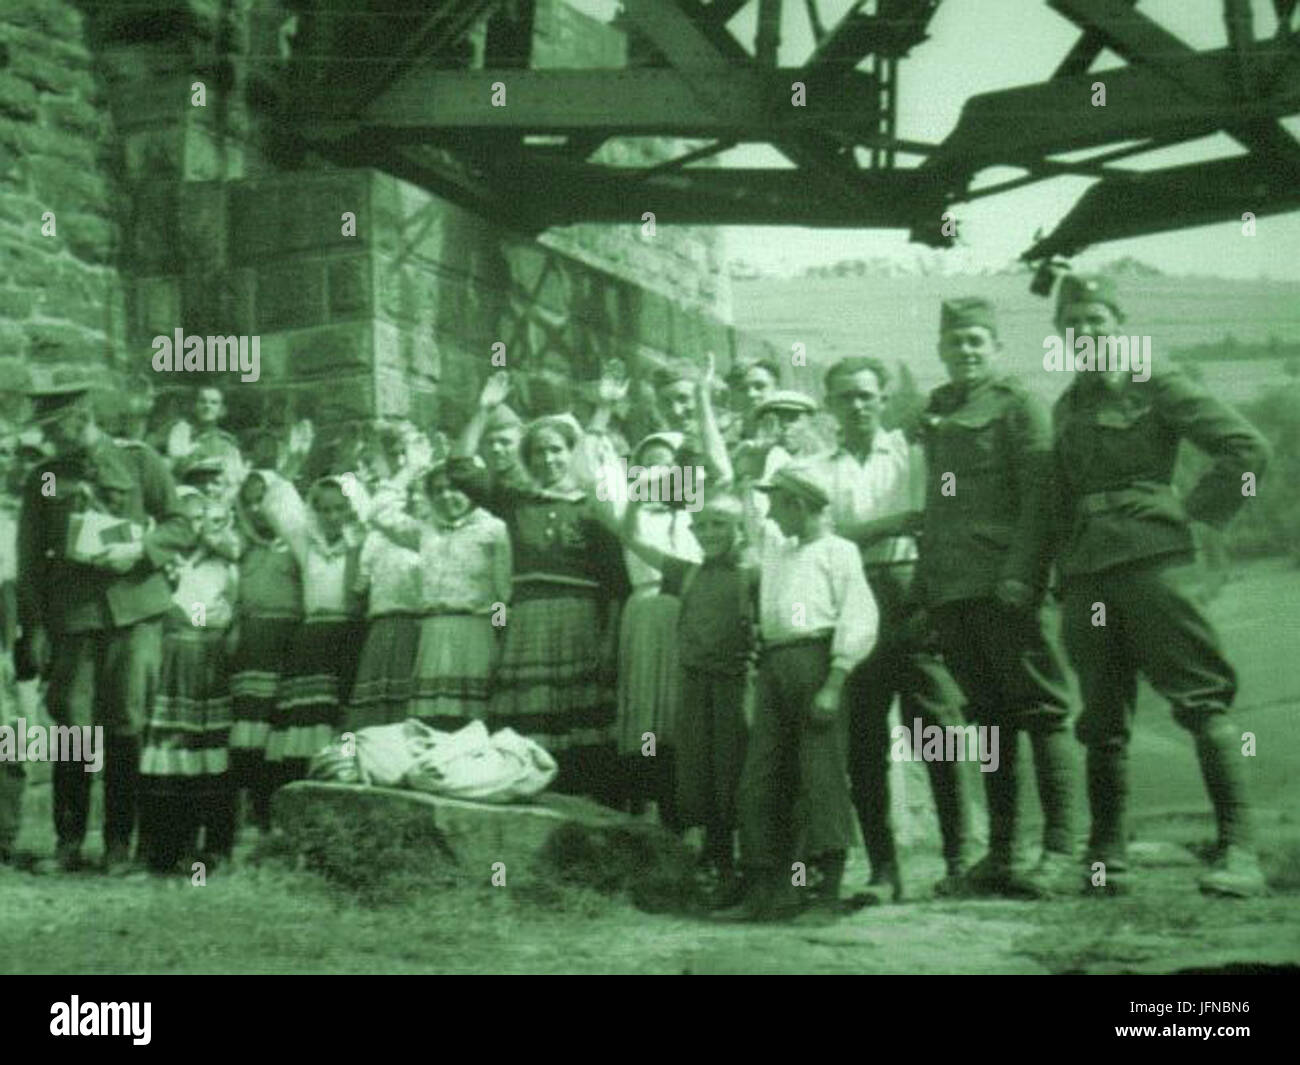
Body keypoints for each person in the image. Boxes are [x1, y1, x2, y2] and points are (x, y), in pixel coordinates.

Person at [1050, 274, 1270, 898]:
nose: (1086, 333)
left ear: (1118, 324)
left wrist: (1196, 517)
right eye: (1073, 324)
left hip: (1155, 566)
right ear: (1061, 335)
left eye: (1097, 319)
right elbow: (1059, 498)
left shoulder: (1156, 381)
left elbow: (1246, 449)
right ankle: (1106, 857)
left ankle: (1239, 852)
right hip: (1088, 576)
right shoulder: (1066, 406)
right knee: (1100, 714)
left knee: (1200, 698)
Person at [915, 297, 1077, 898]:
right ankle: (1001, 857)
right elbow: (939, 503)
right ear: (941, 349)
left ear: (997, 346)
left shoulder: (1019, 408)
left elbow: (1041, 499)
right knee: (987, 718)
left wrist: (1024, 574)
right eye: (956, 342)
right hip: (952, 588)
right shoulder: (939, 412)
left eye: (977, 341)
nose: (966, 351)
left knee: (1041, 710)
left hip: (1005, 584)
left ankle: (1061, 851)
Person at [15, 381, 194, 874]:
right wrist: (35, 627)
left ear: (82, 417)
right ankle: (68, 843)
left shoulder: (139, 462)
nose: (50, 441)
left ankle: (119, 844)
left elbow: (180, 523)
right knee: (72, 729)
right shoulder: (47, 478)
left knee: (126, 726)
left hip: (135, 613)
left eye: (57, 429)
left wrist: (139, 551)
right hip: (73, 619)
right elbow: (30, 560)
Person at [815, 356, 970, 901]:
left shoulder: (916, 456)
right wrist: (893, 523)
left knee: (937, 731)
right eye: (844, 397)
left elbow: (940, 519)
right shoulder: (818, 468)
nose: (856, 406)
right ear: (828, 404)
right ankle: (884, 872)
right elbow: (822, 538)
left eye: (865, 395)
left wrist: (885, 532)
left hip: (913, 594)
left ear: (883, 398)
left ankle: (957, 861)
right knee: (863, 741)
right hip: (852, 601)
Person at [449, 373, 630, 800]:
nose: (548, 459)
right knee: (530, 719)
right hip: (529, 619)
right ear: (527, 459)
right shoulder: (516, 500)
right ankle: (527, 793)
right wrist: (484, 410)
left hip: (580, 620)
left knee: (578, 719)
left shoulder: (592, 510)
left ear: (571, 453)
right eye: (538, 452)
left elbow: (617, 584)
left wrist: (608, 641)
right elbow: (459, 468)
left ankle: (581, 806)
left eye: (556, 450)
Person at [724, 463, 878, 920]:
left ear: (797, 504)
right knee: (762, 778)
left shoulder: (840, 551)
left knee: (821, 778)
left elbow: (859, 615)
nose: (769, 513)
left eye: (776, 503)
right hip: (774, 666)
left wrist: (835, 681)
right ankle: (768, 890)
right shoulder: (778, 553)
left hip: (817, 664)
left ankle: (825, 895)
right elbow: (751, 523)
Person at [622, 488, 753, 906]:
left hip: (736, 685)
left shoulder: (755, 574)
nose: (709, 532)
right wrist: (633, 502)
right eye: (701, 525)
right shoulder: (688, 573)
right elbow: (631, 540)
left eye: (720, 524)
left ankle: (751, 870)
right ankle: (716, 864)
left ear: (741, 529)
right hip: (695, 686)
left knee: (737, 772)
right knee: (701, 772)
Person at [367, 461, 512, 731]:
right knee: (434, 722)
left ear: (473, 490)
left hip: (476, 631)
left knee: (474, 721)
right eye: (438, 490)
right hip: (432, 633)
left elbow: (503, 594)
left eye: (455, 488)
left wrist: (498, 636)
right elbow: (377, 512)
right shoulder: (424, 530)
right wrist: (410, 468)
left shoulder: (494, 530)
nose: (446, 496)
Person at [138, 488, 238, 873]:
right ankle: (163, 849)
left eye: (203, 519)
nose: (195, 527)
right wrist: (191, 614)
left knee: (209, 752)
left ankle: (212, 848)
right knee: (167, 750)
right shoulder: (164, 560)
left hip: (208, 667)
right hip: (170, 662)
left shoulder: (223, 563)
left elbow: (226, 612)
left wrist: (191, 615)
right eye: (188, 518)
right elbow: (165, 609)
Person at [612, 431, 700, 826]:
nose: (656, 470)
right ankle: (644, 796)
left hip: (687, 608)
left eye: (665, 462)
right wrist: (638, 491)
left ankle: (681, 806)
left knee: (679, 704)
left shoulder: (691, 514)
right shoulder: (633, 512)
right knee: (647, 704)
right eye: (647, 462)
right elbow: (626, 533)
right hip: (647, 608)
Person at [264, 476, 364, 788]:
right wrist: (290, 467)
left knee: (343, 717)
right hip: (311, 641)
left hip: (351, 636)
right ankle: (296, 787)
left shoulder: (364, 541)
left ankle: (342, 782)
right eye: (324, 510)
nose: (332, 516)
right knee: (307, 719)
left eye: (340, 508)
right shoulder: (306, 543)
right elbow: (274, 504)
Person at [228, 469, 305, 832]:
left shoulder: (297, 547)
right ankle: (250, 813)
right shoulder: (242, 548)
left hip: (288, 641)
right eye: (250, 501)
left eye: (265, 498)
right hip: (251, 642)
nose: (258, 508)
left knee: (282, 729)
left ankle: (278, 813)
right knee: (250, 729)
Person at [345, 479, 425, 733]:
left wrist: (497, 623)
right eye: (412, 492)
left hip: (420, 628)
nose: (416, 498)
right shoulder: (376, 539)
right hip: (379, 627)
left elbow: (499, 600)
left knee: (412, 704)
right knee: (368, 704)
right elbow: (358, 588)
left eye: (422, 493)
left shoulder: (433, 535)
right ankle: (354, 757)